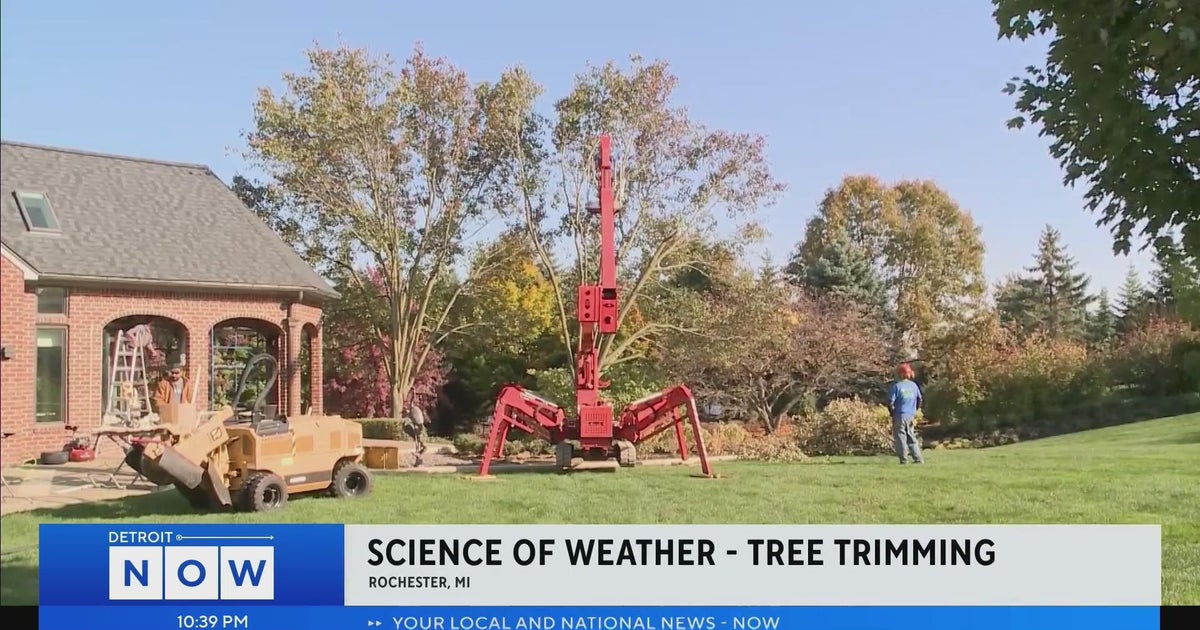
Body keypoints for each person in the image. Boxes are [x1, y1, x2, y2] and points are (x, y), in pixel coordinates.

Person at [887, 362, 924, 465]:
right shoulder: (914, 386)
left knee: (900, 438)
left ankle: (904, 460)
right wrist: (915, 410)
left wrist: (892, 413)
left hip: (900, 415)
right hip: (910, 415)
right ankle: (918, 459)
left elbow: (890, 402)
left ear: (900, 374)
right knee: (911, 436)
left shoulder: (897, 387)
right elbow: (919, 399)